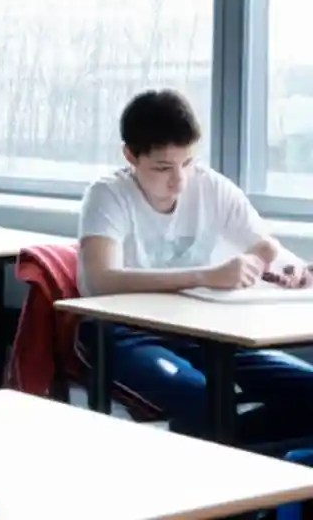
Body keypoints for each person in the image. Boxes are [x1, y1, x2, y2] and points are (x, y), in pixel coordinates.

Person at [78, 88, 313, 443]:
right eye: (163, 167)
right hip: (125, 333)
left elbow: (266, 247)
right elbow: (99, 281)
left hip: (203, 332)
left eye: (187, 163)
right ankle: (225, 456)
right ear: (130, 155)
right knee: (200, 398)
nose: (179, 180)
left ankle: (241, 456)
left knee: (307, 390)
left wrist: (294, 271)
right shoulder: (107, 194)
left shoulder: (211, 187)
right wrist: (206, 276)